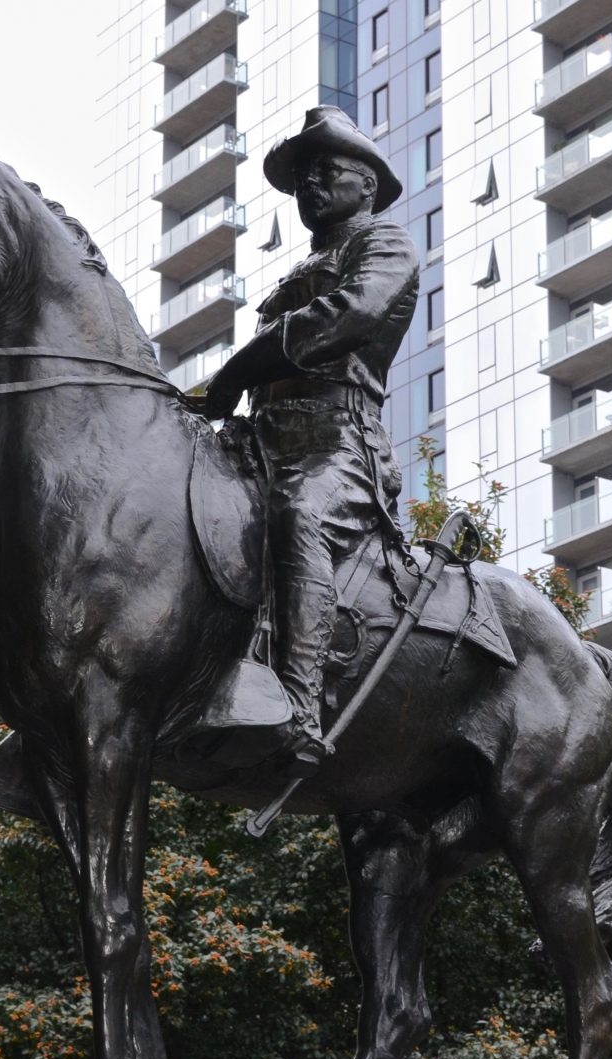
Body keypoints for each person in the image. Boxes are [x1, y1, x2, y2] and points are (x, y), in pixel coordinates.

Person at [202, 105, 420, 771]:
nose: (310, 185)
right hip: (260, 439)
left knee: (300, 513)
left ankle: (298, 706)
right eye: (302, 178)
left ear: (367, 185)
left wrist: (237, 369)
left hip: (337, 443)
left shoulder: (385, 245)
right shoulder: (296, 271)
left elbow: (348, 316)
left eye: (325, 171)